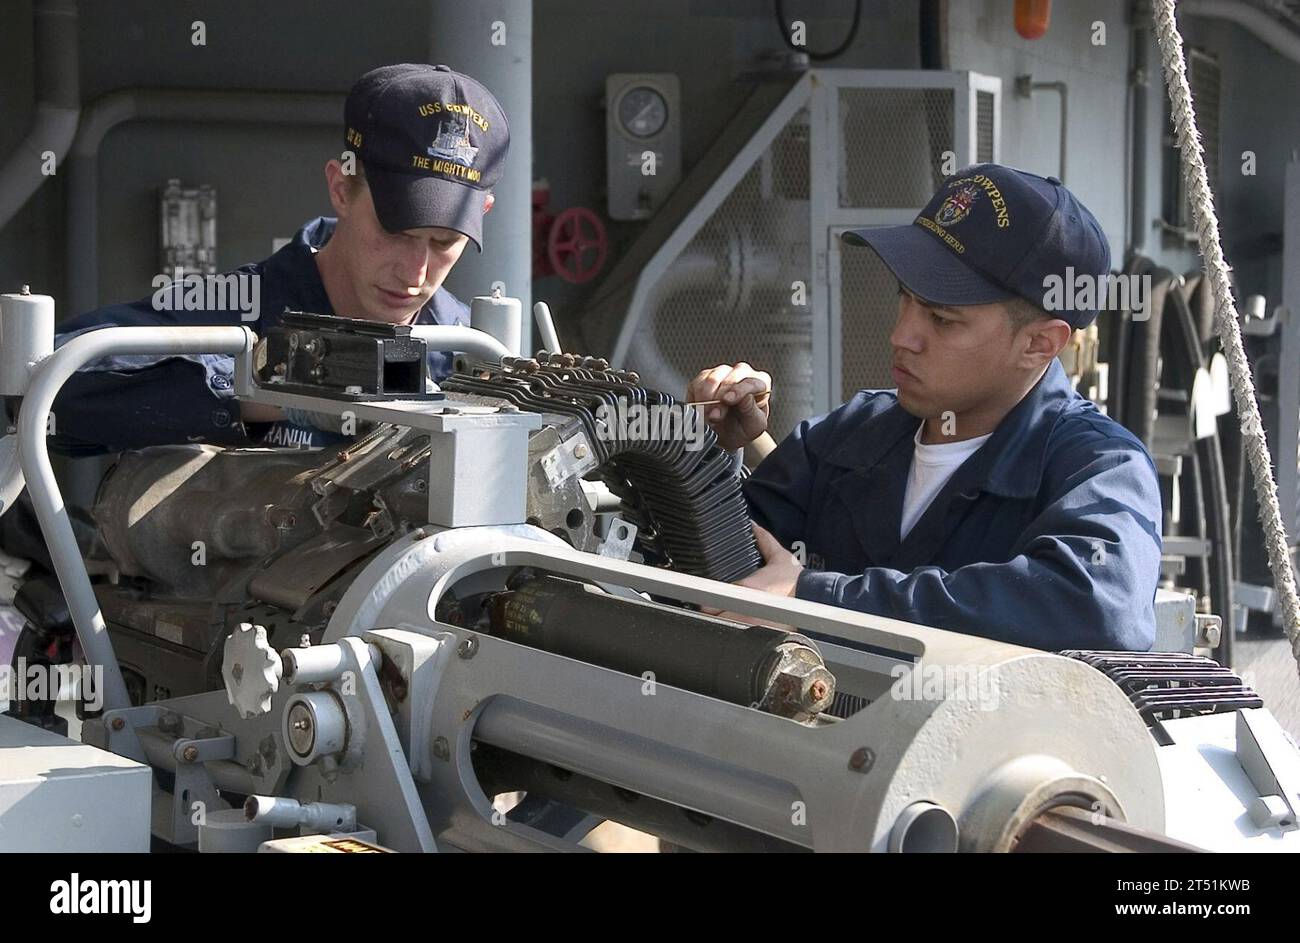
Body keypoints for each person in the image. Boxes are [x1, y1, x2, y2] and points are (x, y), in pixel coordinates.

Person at [688, 164, 1162, 651]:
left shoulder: (1098, 467)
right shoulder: (847, 436)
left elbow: (1097, 609)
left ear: (1038, 344)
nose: (901, 337)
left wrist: (818, 601)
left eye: (941, 319)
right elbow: (721, 571)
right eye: (905, 299)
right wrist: (714, 455)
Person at [49, 63, 507, 453]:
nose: (415, 272)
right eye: (394, 232)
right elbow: (47, 382)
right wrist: (271, 392)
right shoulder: (233, 309)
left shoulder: (471, 355)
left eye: (444, 242)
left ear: (484, 212)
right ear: (341, 188)